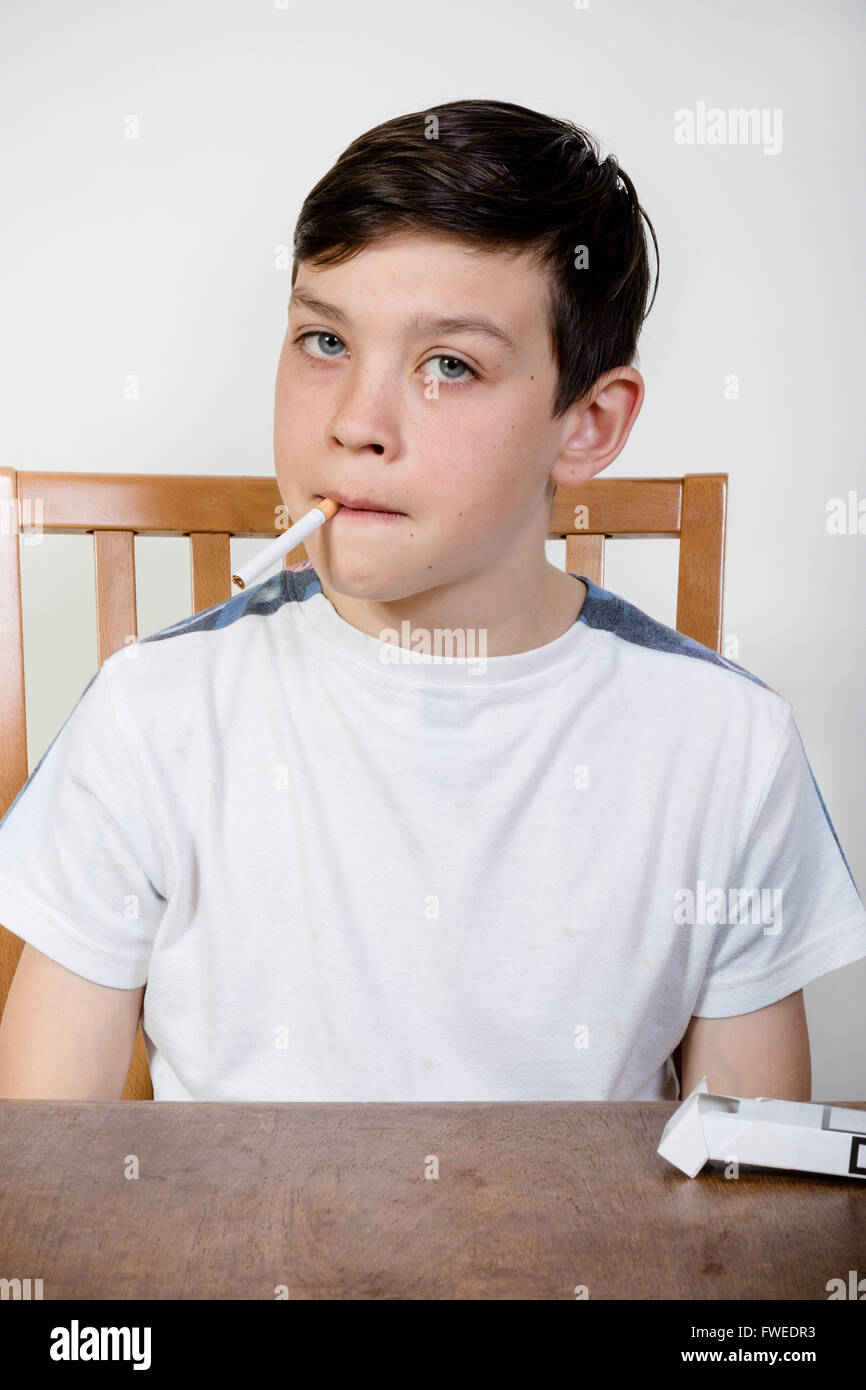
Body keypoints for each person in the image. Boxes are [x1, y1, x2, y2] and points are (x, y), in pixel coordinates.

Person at [0, 99, 863, 1103]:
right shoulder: (149, 715)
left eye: (448, 364)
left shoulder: (727, 746)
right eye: (323, 342)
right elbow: (41, 1174)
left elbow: (742, 1197)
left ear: (586, 425)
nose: (355, 422)